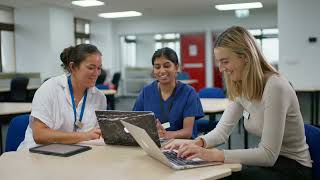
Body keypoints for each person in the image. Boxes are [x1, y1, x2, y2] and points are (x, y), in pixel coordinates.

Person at [165, 26, 312, 180]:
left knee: (221, 174)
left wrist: (215, 154)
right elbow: (222, 131)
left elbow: (268, 154)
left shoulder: (275, 86)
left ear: (245, 57)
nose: (221, 69)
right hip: (270, 164)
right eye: (219, 62)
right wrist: (197, 144)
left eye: (225, 61)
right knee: (212, 171)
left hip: (294, 169)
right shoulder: (242, 86)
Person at [18, 44, 107, 150]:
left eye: (99, 68)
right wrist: (85, 135)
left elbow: (96, 135)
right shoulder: (49, 89)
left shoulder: (99, 98)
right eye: (91, 68)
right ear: (73, 67)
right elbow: (39, 135)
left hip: (75, 154)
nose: (96, 73)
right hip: (39, 152)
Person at [132, 47, 204, 139]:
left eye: (167, 66)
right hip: (154, 144)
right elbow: (136, 123)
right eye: (157, 67)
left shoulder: (188, 93)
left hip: (182, 146)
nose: (162, 71)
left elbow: (187, 132)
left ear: (176, 67)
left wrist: (165, 135)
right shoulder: (146, 92)